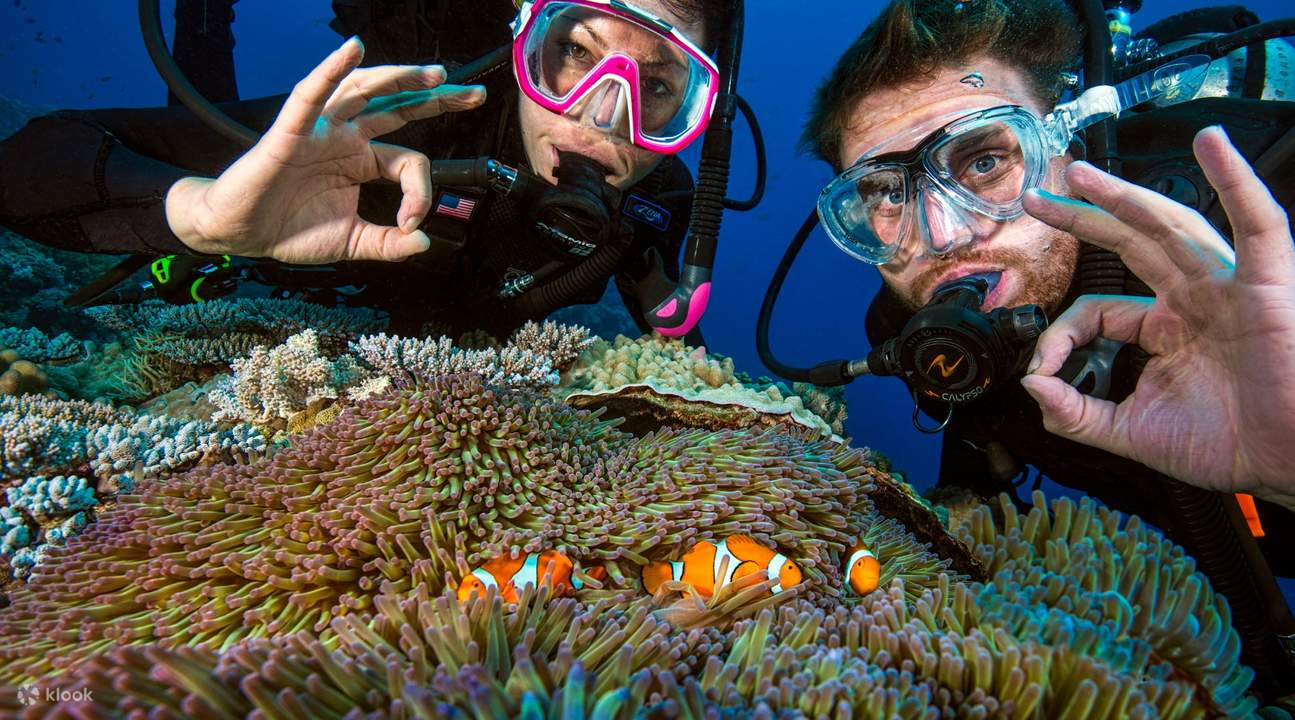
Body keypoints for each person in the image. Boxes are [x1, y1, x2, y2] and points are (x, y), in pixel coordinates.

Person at [799, 0, 1295, 698]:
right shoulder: (910, 334)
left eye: (984, 161)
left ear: (1068, 147)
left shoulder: (1267, 229)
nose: (943, 236)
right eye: (885, 195)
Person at [0, 0, 729, 341]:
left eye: (659, 86)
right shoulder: (406, 121)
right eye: (573, 51)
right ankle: (205, 15)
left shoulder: (656, 207)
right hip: (260, 298)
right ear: (524, 39)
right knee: (212, 104)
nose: (602, 117)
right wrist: (198, 215)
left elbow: (679, 356)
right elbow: (30, 161)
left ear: (701, 108)